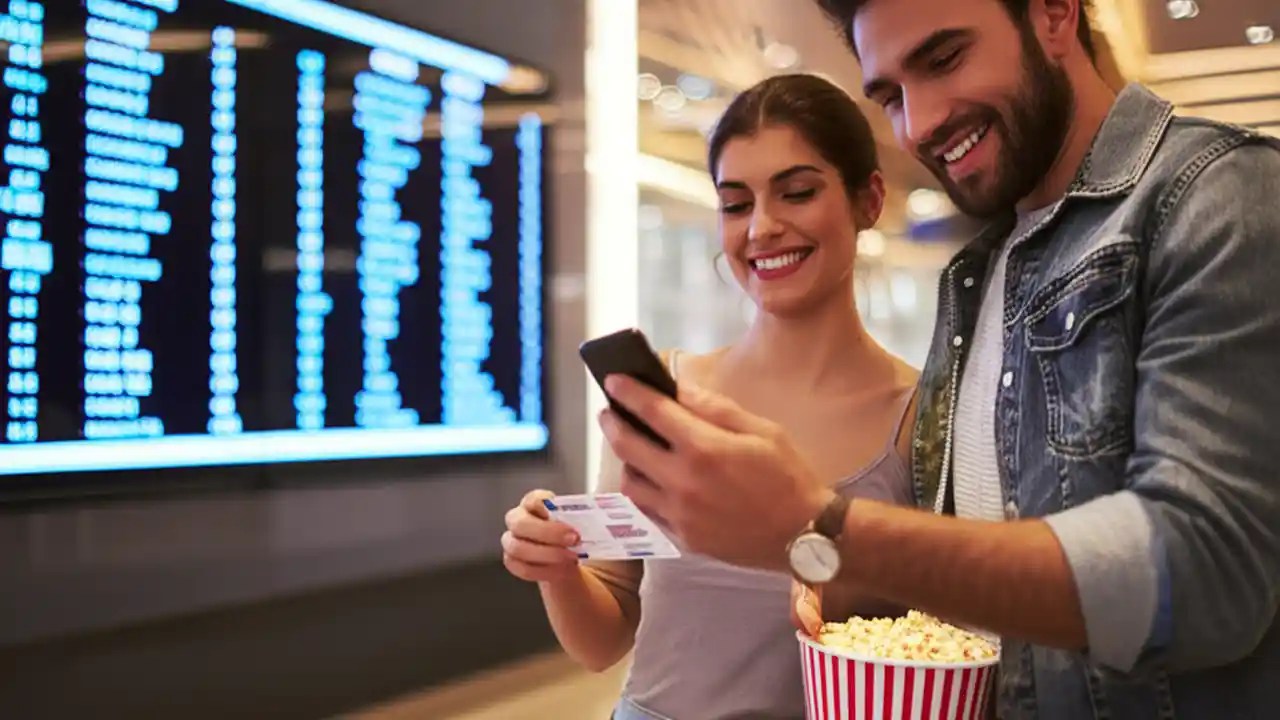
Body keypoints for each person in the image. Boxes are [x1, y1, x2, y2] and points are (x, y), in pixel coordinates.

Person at [598, 0, 1280, 718]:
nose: (918, 124)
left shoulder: (1218, 195)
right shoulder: (977, 281)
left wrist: (821, 524)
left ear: (1053, 14)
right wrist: (805, 561)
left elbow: (1207, 572)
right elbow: (968, 584)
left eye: (944, 58)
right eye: (889, 94)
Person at [501, 73, 919, 720]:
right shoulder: (664, 392)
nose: (762, 229)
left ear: (868, 200)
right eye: (735, 204)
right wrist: (556, 567)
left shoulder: (919, 413)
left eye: (798, 192)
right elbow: (603, 639)